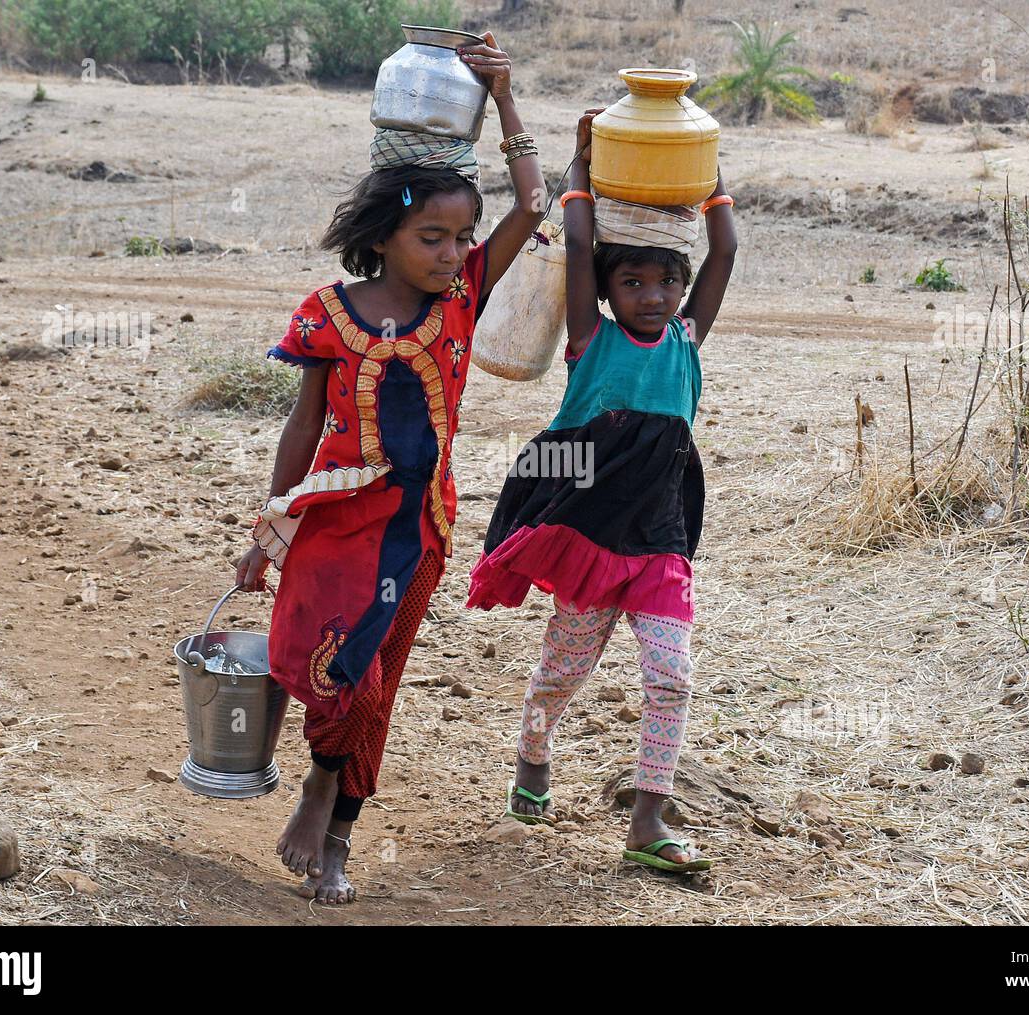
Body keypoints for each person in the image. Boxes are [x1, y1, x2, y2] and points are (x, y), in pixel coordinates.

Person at [235, 32, 544, 904]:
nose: (452, 253)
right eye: (432, 237)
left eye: (461, 238)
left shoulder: (466, 297)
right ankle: (317, 782)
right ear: (385, 234)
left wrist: (507, 96)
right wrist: (267, 530)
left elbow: (533, 201)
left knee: (372, 680)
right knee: (313, 659)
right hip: (331, 522)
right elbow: (301, 430)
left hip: (417, 532)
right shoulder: (326, 316)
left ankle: (330, 817)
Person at [466, 106, 737, 873]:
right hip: (590, 533)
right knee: (564, 669)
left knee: (672, 675)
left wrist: (706, 167)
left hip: (659, 534)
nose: (651, 295)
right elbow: (579, 241)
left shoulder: (687, 339)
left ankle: (648, 819)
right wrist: (583, 162)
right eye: (634, 281)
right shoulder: (593, 341)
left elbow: (726, 249)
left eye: (664, 283)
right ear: (610, 291)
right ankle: (534, 749)